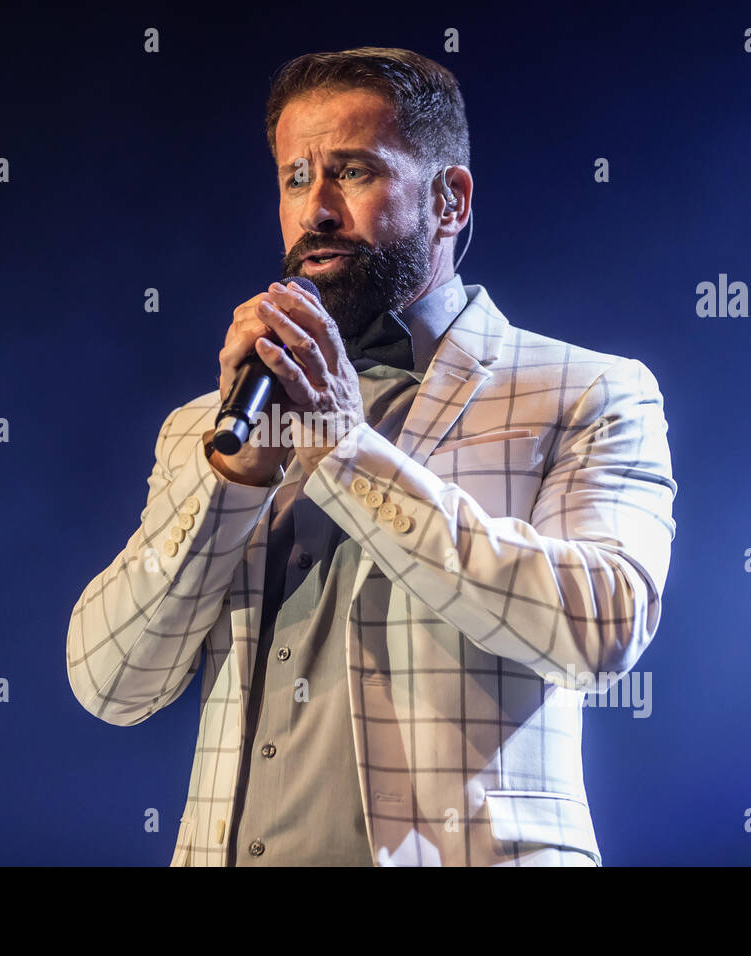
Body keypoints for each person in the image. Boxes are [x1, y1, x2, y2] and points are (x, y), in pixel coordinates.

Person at [66, 47, 677, 866]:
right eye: (294, 177)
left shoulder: (585, 391)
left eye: (351, 172)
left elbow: (603, 626)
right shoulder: (208, 430)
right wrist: (233, 485)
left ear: (449, 200)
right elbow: (110, 685)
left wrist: (348, 454)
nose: (315, 210)